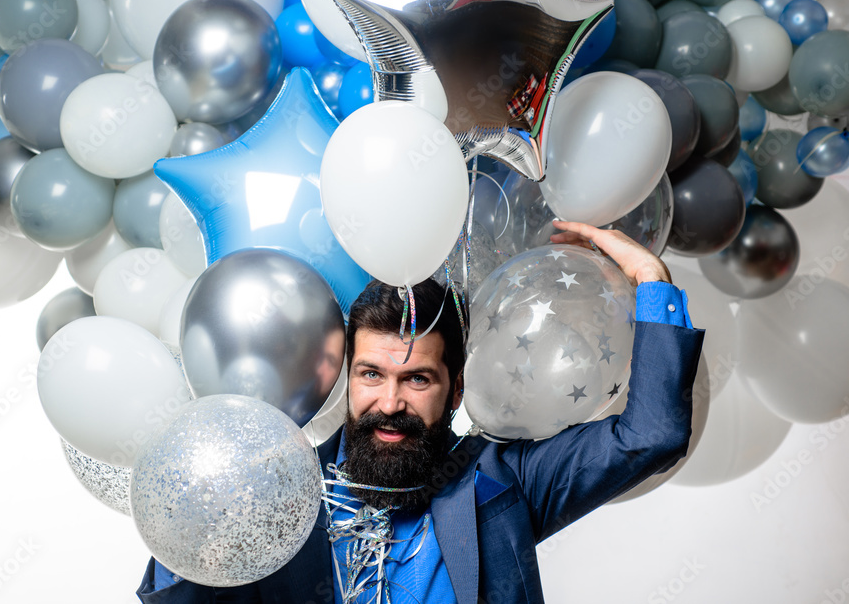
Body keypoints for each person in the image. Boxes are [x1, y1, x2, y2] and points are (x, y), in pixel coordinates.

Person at [136, 221, 705, 604]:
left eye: (417, 380)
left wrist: (650, 283)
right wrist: (194, 483)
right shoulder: (273, 485)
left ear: (455, 390)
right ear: (345, 377)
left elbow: (650, 434)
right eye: (372, 375)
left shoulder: (504, 484)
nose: (390, 403)